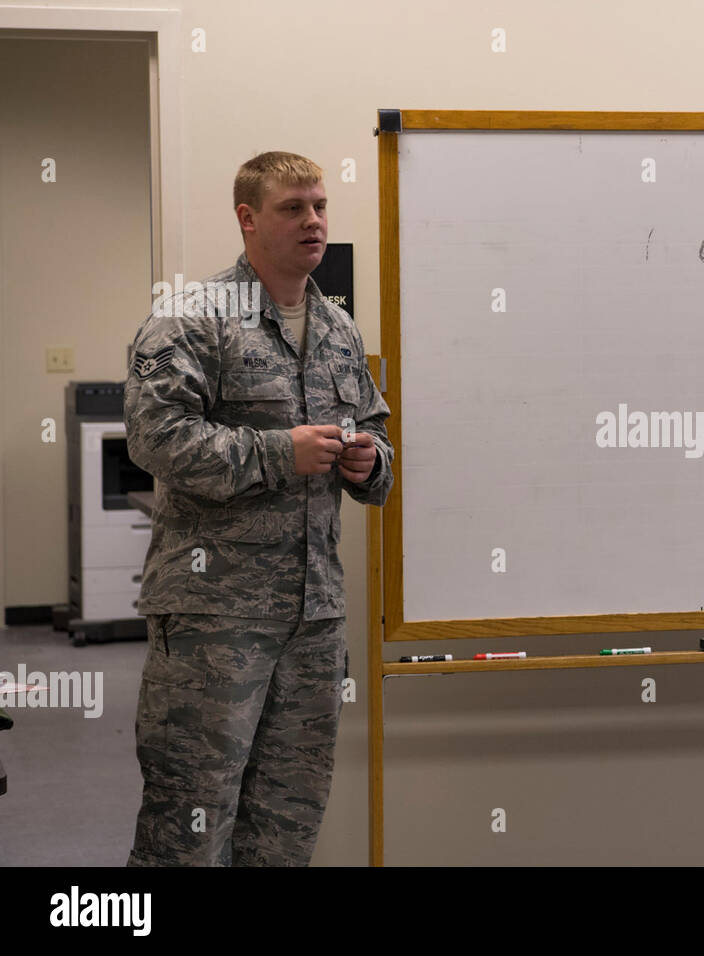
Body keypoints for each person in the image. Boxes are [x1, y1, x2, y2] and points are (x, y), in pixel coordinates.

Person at [123, 151, 393, 865]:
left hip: (313, 620)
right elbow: (155, 440)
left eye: (321, 206)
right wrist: (279, 453)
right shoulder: (193, 318)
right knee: (190, 820)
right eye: (293, 208)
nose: (314, 221)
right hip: (216, 619)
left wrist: (370, 462)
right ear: (248, 218)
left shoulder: (338, 327)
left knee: (286, 821)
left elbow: (378, 433)